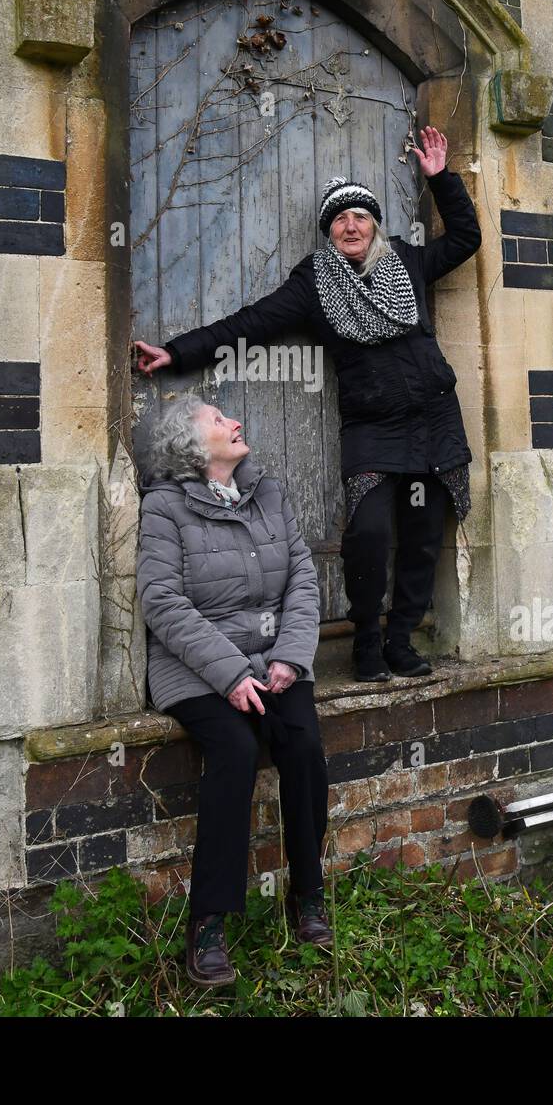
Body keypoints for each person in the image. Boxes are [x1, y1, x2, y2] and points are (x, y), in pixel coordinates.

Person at [135, 126, 481, 684]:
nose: (351, 225)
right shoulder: (314, 286)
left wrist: (441, 179)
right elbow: (248, 324)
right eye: (340, 218)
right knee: (368, 534)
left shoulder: (411, 265)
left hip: (434, 418)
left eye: (361, 216)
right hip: (374, 425)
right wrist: (176, 353)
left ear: (375, 226)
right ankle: (366, 640)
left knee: (422, 534)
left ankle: (401, 639)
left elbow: (465, 239)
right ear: (329, 231)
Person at [136, 395, 331, 988]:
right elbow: (162, 602)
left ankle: (307, 896)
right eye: (219, 420)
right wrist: (229, 674)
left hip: (274, 660)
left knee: (301, 744)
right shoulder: (165, 508)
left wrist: (292, 658)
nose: (235, 422)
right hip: (195, 666)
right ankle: (208, 923)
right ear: (193, 447)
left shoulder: (266, 493)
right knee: (237, 751)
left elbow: (302, 574)